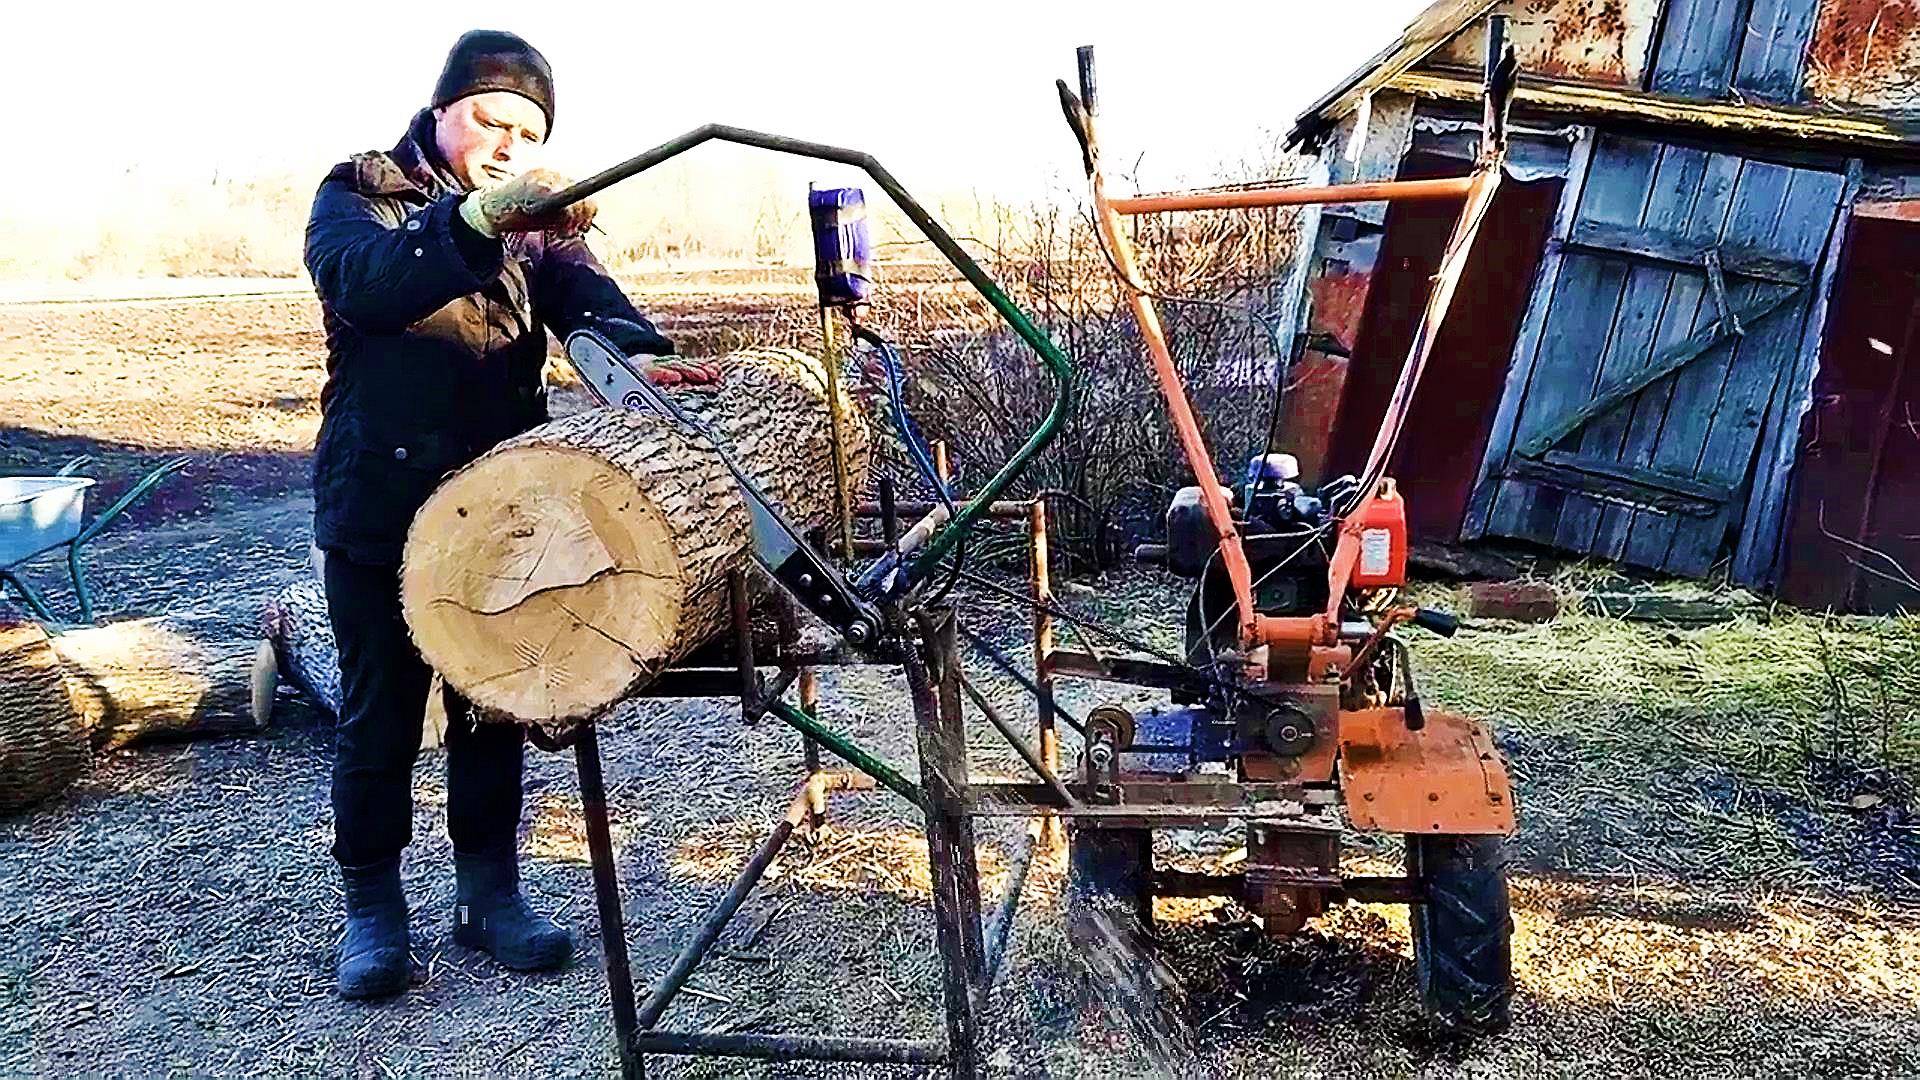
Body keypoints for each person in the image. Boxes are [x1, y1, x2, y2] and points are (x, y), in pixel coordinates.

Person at [304, 29, 673, 1000]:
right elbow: (372, 289)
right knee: (381, 712)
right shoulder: (357, 194)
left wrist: (644, 357)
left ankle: (488, 896)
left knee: (489, 704)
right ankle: (375, 912)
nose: (508, 141)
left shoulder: (535, 230)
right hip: (377, 507)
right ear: (441, 113)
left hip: (496, 508)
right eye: (489, 118)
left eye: (528, 128)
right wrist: (473, 221)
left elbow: (592, 301)